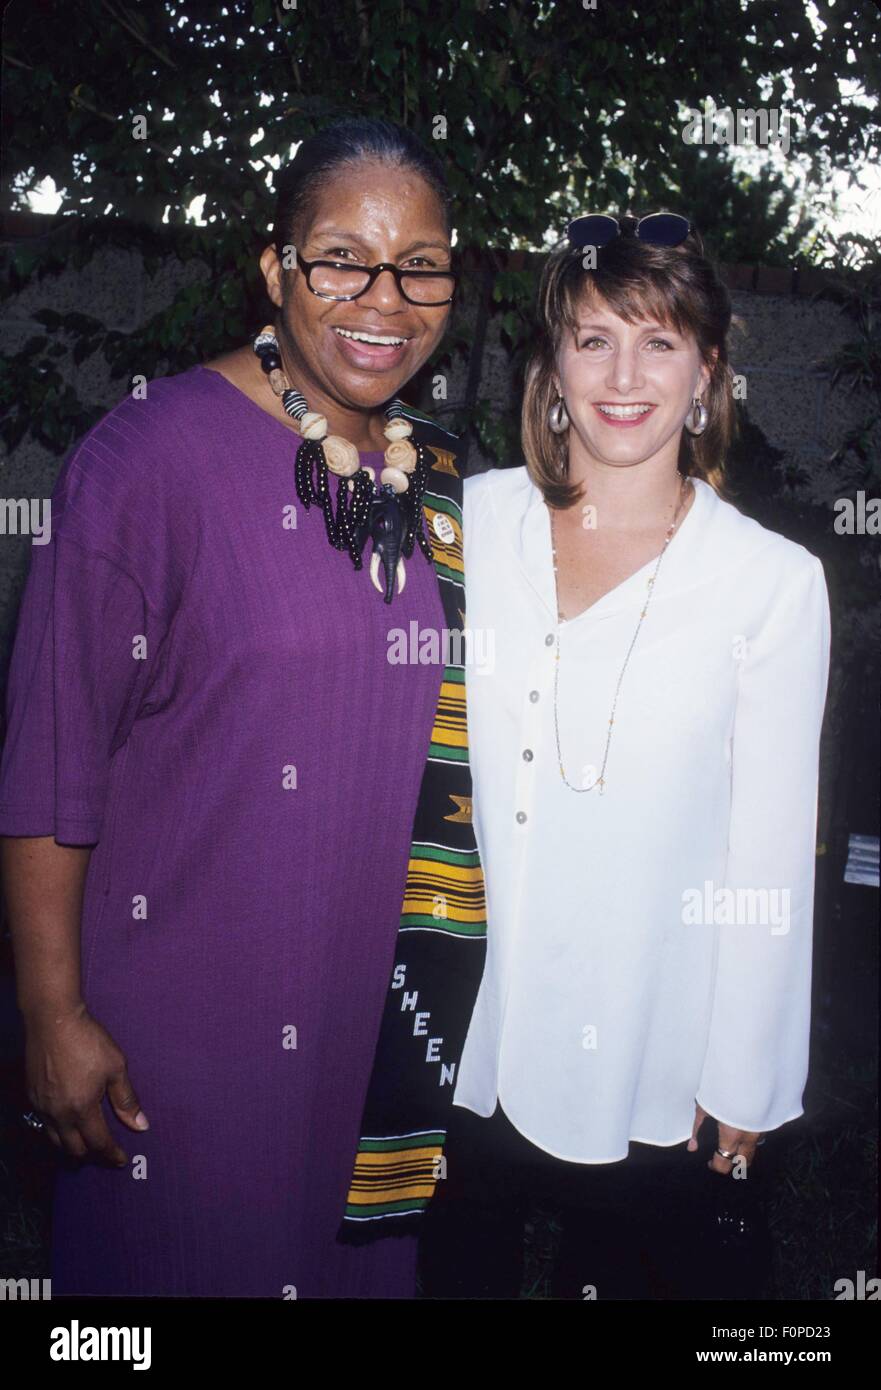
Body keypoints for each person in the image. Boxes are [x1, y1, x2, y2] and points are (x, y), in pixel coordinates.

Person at [0, 117, 478, 1298]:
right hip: (187, 1032)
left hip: (383, 1037)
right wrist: (52, 1012)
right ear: (274, 271)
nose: (385, 296)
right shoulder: (144, 460)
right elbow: (52, 759)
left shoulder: (445, 484)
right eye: (340, 258)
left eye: (420, 263)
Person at [419, 213, 831, 1300]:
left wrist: (745, 1075)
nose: (623, 374)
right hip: (472, 1034)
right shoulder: (466, 524)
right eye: (593, 338)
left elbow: (769, 858)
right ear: (551, 368)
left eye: (657, 343)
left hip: (657, 1044)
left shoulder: (770, 584)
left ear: (705, 373)